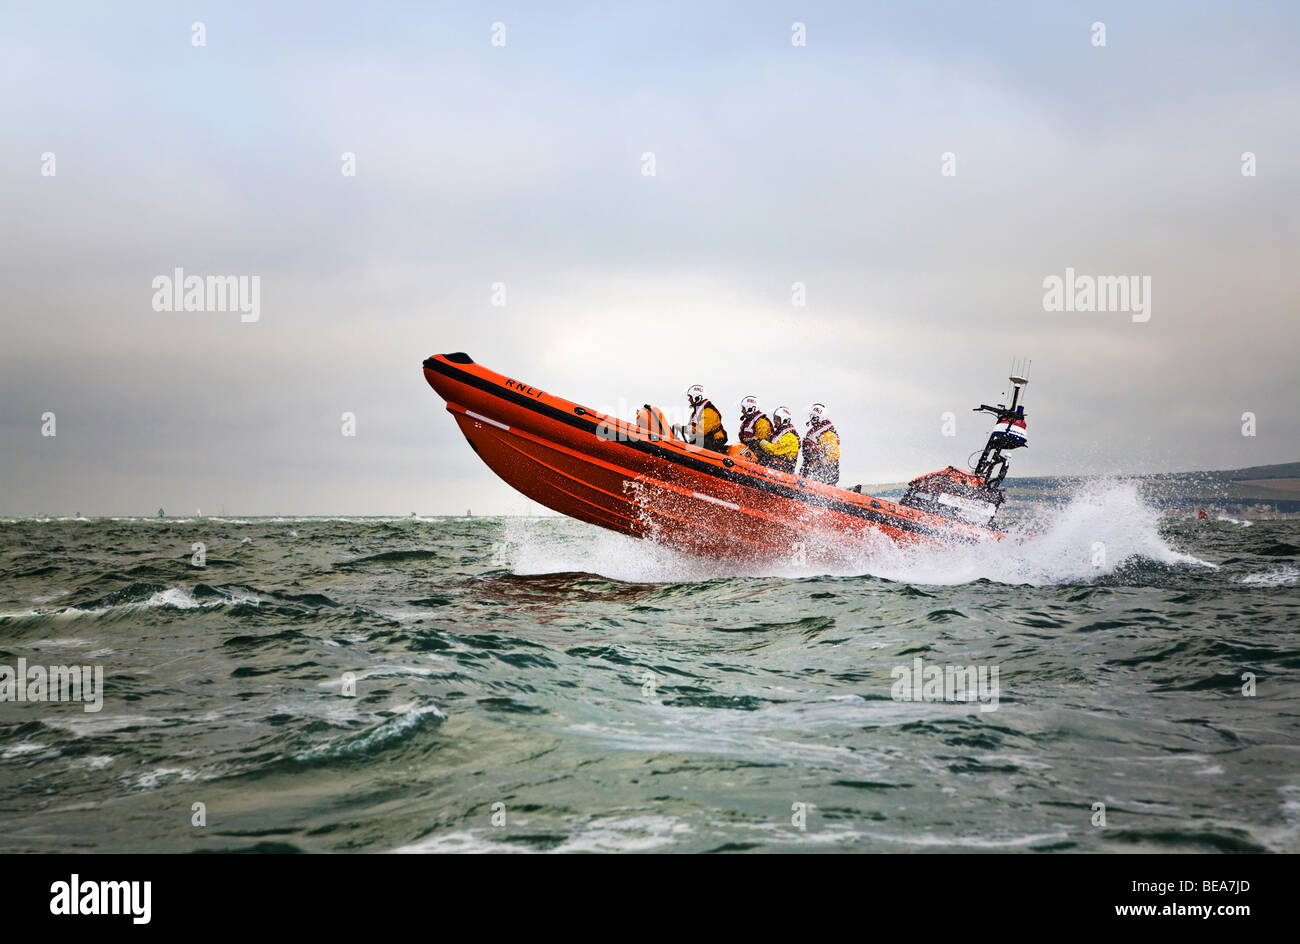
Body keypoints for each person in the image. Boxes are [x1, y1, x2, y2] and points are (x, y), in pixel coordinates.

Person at [799, 403, 840, 485]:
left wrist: (817, 462)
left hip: (824, 475)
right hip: (812, 473)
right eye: (811, 416)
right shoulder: (814, 434)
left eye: (814, 416)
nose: (812, 419)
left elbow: (833, 456)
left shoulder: (828, 435)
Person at [682, 384, 729, 453]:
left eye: (690, 397)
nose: (689, 399)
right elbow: (692, 430)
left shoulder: (709, 412)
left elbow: (701, 431)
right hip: (704, 443)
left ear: (697, 397)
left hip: (713, 444)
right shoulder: (697, 412)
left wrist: (683, 429)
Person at [758, 406, 800, 473]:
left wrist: (760, 441)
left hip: (783, 470)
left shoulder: (790, 437)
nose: (775, 421)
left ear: (785, 420)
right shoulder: (778, 434)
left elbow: (774, 449)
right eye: (774, 419)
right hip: (775, 466)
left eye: (777, 419)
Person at [737, 395, 774, 464]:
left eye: (744, 408)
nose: (742, 411)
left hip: (759, 458)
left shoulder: (762, 422)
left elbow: (760, 442)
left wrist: (750, 441)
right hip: (748, 454)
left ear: (751, 409)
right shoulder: (749, 422)